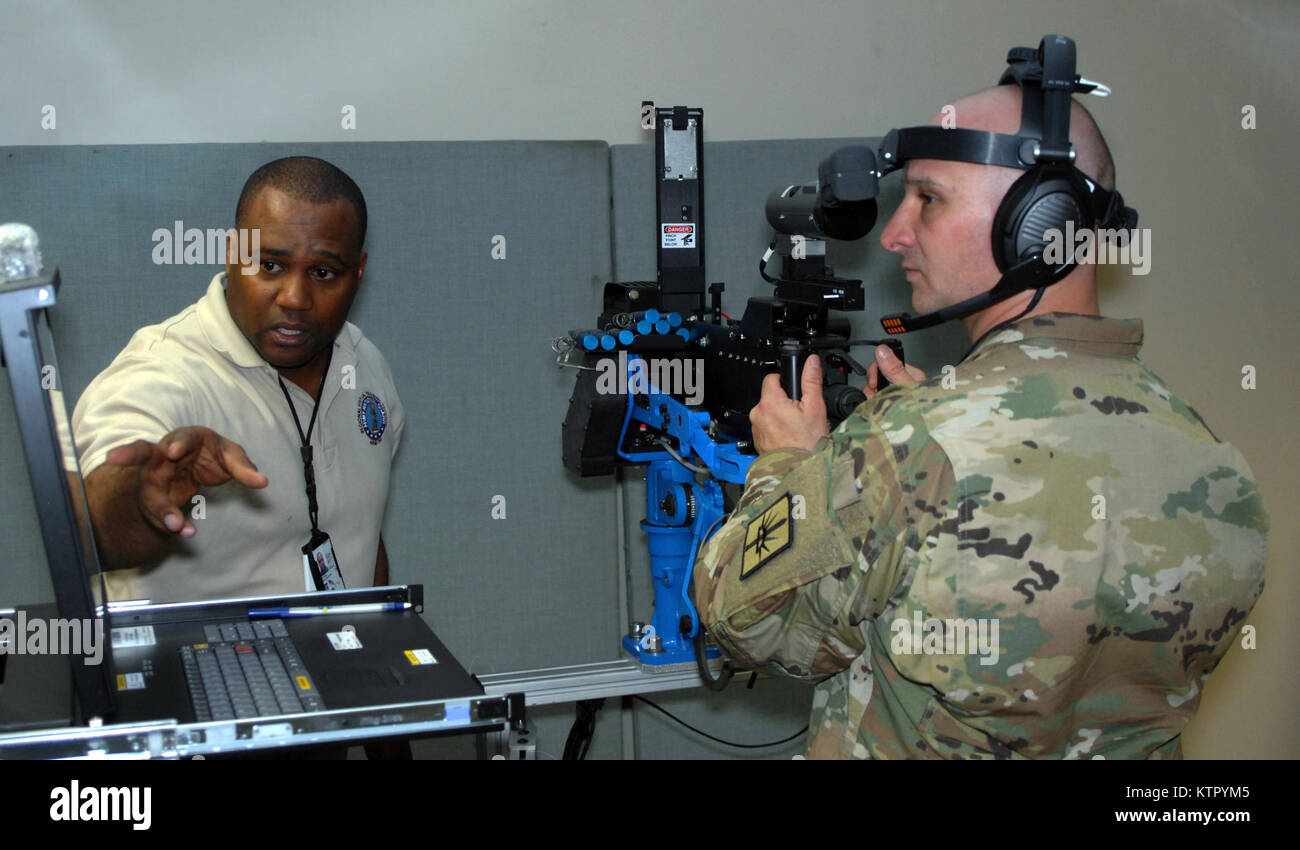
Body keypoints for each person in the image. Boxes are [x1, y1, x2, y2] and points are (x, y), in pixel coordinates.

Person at [692, 85, 1268, 759]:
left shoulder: (911, 449)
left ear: (1039, 222)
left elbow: (742, 619)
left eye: (928, 199)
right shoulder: (1216, 463)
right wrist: (928, 432)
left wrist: (792, 465)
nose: (893, 233)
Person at [74, 156, 403, 605]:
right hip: (193, 653)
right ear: (233, 253)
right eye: (270, 265)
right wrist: (139, 494)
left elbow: (359, 535)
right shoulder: (163, 372)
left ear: (358, 272)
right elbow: (95, 528)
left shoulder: (365, 364)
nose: (295, 298)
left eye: (323, 273)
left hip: (341, 648)